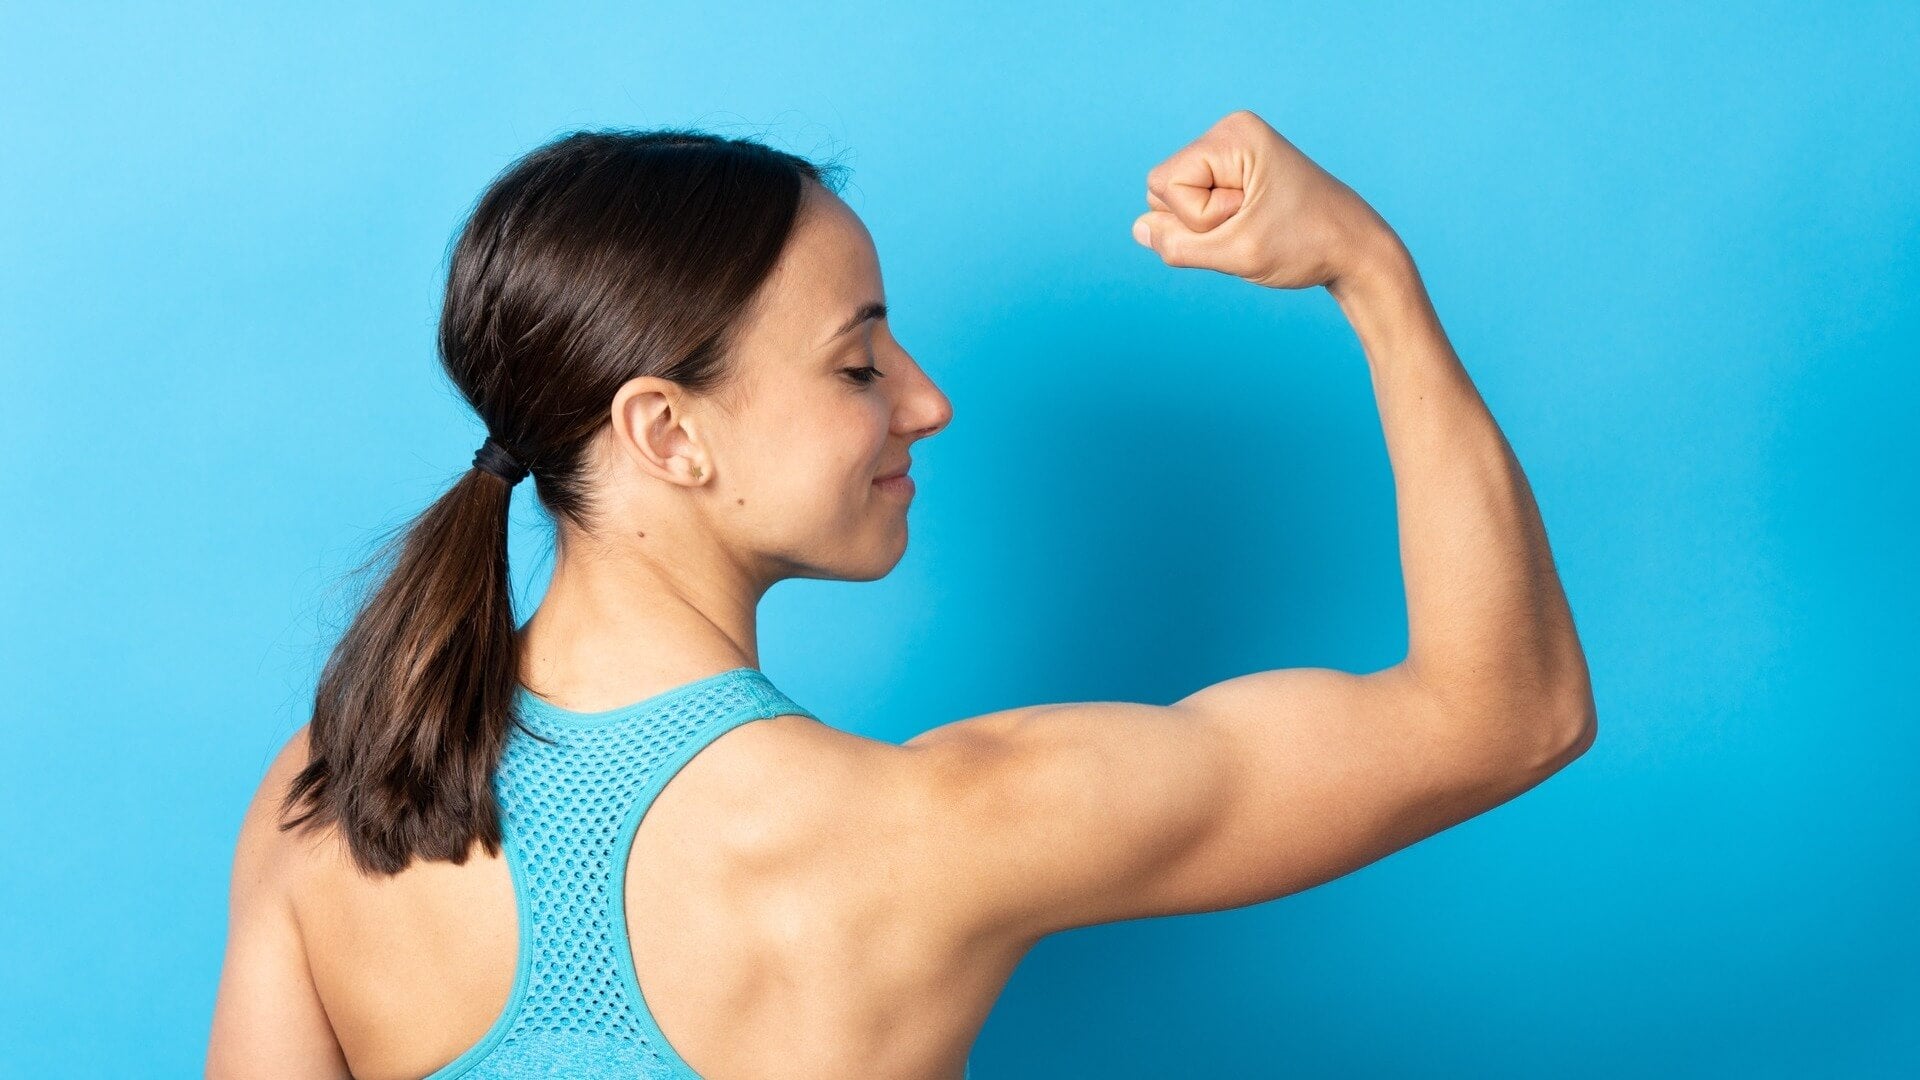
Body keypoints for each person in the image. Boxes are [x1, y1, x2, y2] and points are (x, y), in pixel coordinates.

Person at [206, 109, 1595, 1079]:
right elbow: (1507, 713)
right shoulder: (926, 833)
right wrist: (1372, 272)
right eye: (858, 363)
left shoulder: (330, 794)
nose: (925, 401)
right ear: (667, 432)